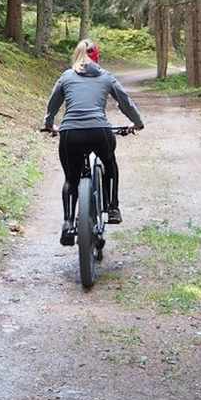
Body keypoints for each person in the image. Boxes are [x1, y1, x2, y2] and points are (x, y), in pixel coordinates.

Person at [41, 38, 144, 245]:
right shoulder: (106, 76)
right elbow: (125, 102)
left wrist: (49, 124)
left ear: (76, 55)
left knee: (71, 179)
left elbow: (52, 105)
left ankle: (68, 223)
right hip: (99, 131)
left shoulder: (66, 76)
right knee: (110, 163)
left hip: (71, 133)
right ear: (97, 57)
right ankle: (113, 207)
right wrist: (137, 123)